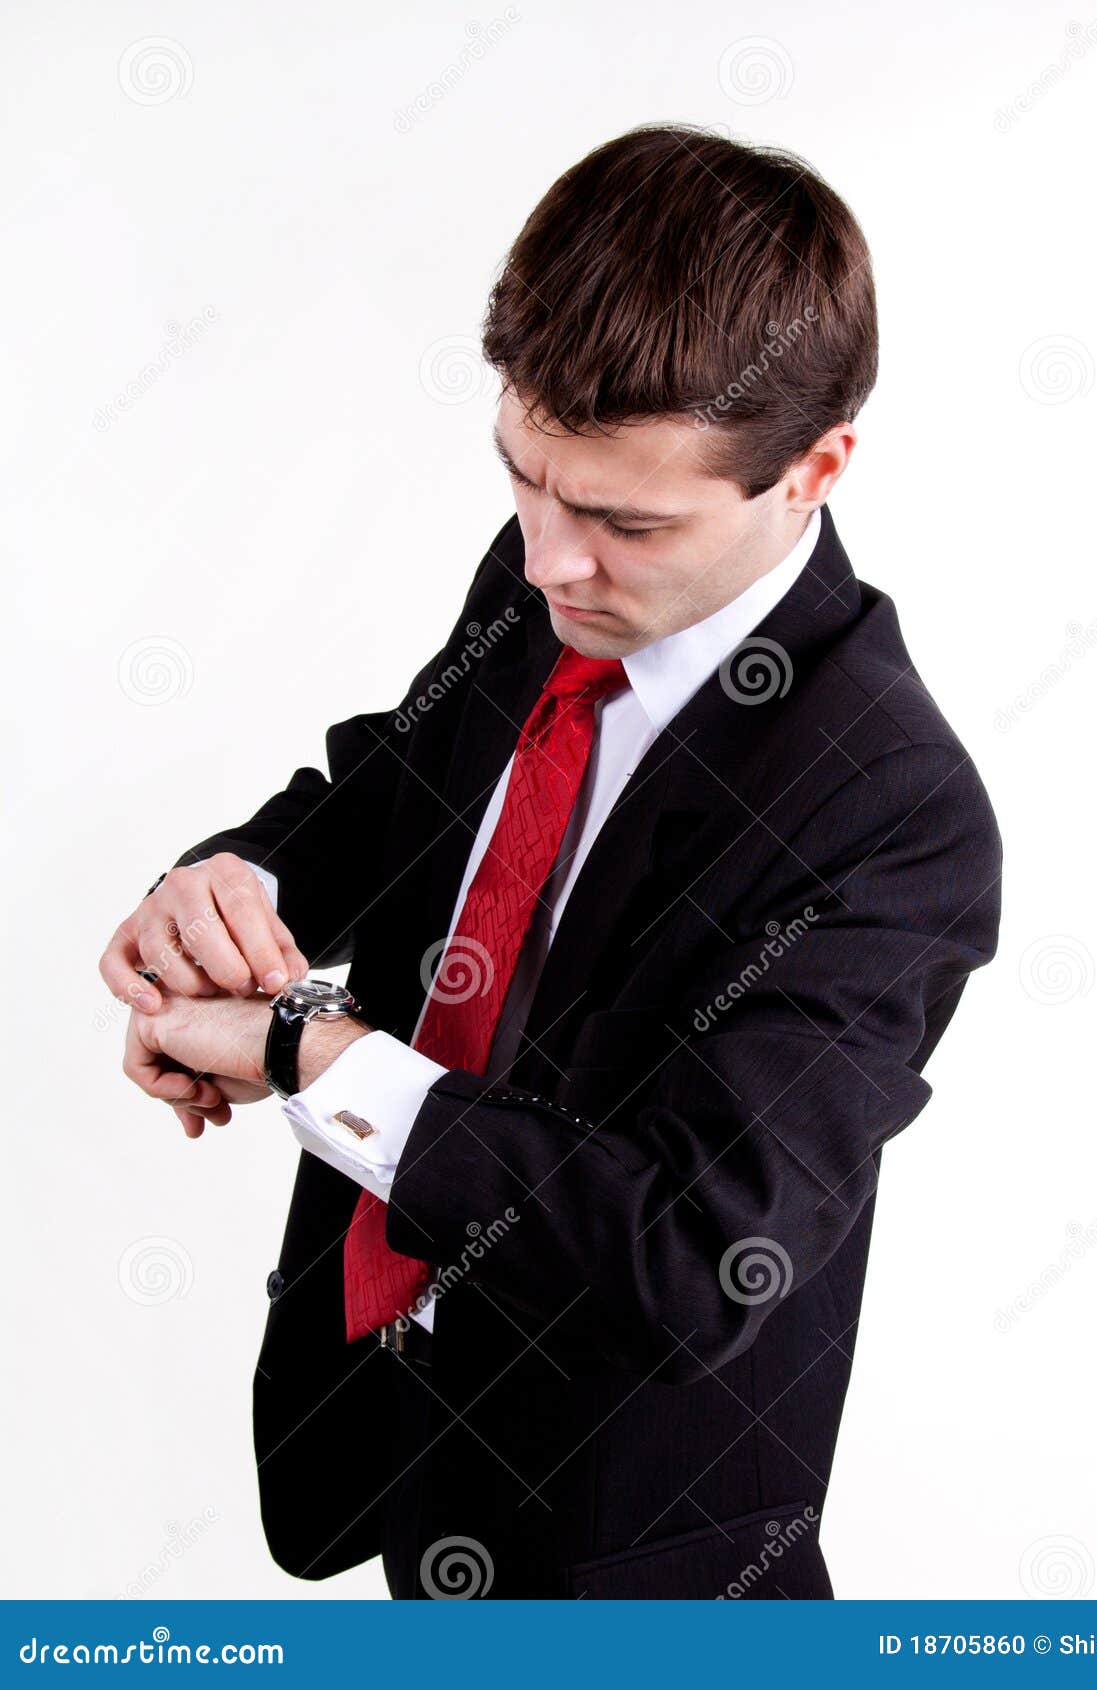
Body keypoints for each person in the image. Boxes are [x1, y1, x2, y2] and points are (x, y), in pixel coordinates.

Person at [99, 124, 1001, 1600]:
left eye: (623, 520)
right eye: (522, 477)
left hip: (630, 1567)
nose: (544, 561)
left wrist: (302, 1051)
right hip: (394, 1448)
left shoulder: (893, 810)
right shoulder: (560, 574)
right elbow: (408, 787)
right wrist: (239, 891)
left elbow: (695, 1247)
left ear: (814, 467)